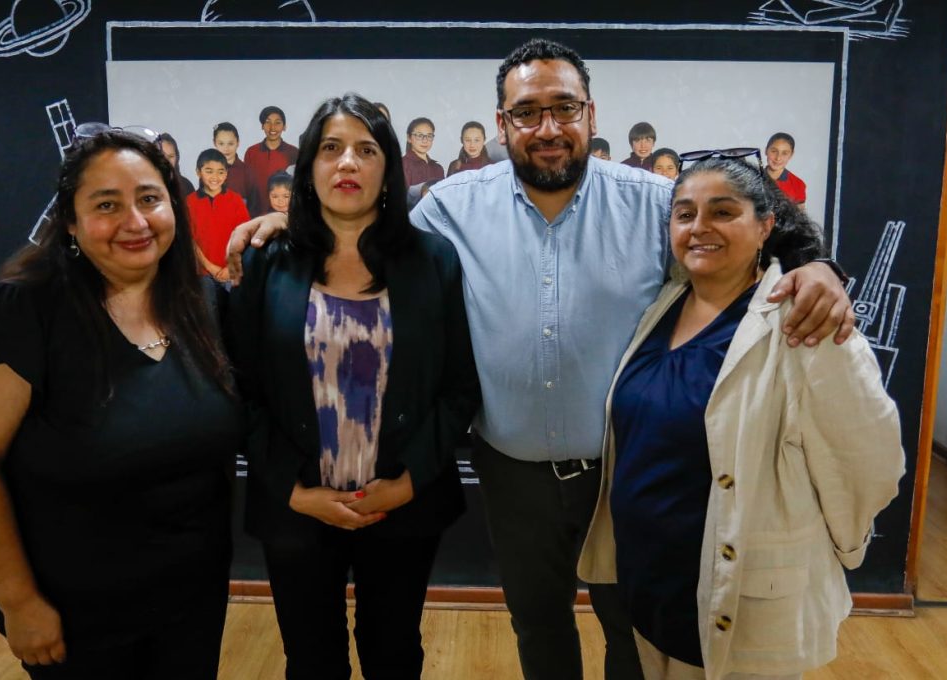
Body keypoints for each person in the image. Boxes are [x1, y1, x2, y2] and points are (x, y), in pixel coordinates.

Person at [226, 39, 854, 680]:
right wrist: (278, 226)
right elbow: (360, 222)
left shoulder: (653, 203)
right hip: (513, 475)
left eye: (564, 108)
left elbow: (753, 225)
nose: (547, 128)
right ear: (502, 124)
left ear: (592, 113)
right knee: (539, 627)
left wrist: (817, 264)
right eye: (527, 112)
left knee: (631, 634)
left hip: (629, 471)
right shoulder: (449, 207)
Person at [578, 154, 903, 680]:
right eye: (684, 214)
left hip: (740, 596)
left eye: (722, 212)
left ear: (765, 225)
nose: (700, 228)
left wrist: (830, 538)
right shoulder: (663, 303)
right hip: (649, 586)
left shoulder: (805, 325)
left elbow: (871, 459)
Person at [0, 126, 243, 679]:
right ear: (72, 224)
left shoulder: (203, 305)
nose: (135, 221)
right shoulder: (18, 308)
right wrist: (18, 603)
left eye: (150, 199)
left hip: (192, 599)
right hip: (74, 609)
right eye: (107, 205)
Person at [227, 94, 480, 680]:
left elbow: (460, 386)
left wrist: (409, 480)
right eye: (331, 149)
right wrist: (293, 491)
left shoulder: (433, 260)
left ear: (389, 168)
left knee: (393, 653)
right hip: (297, 504)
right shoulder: (267, 261)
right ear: (309, 166)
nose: (348, 164)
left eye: (366, 151)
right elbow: (238, 386)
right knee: (311, 659)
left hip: (401, 503)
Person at [188, 148, 251, 282]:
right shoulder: (189, 202)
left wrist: (230, 267)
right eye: (209, 171)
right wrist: (209, 267)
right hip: (202, 272)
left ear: (226, 174)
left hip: (232, 270)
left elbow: (244, 236)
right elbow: (190, 240)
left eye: (220, 171)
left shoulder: (236, 200)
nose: (215, 177)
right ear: (198, 172)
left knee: (233, 302)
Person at [244, 106, 299, 215]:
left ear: (284, 126)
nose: (272, 127)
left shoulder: (294, 153)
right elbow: (248, 186)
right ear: (262, 126)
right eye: (267, 122)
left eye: (277, 123)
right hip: (256, 213)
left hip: (284, 214)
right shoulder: (252, 152)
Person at [213, 121, 257, 208]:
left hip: (242, 220)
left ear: (238, 143)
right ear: (215, 143)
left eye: (230, 143)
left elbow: (254, 206)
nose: (226, 148)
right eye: (221, 144)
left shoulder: (247, 172)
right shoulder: (209, 172)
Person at [765, 132, 806, 210]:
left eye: (784, 153)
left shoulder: (798, 185)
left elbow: (800, 219)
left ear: (791, 155)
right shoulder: (752, 178)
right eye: (774, 151)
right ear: (766, 150)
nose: (778, 158)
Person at [401, 116, 444, 189]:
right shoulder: (402, 165)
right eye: (420, 135)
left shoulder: (438, 168)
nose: (425, 140)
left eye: (429, 136)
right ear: (409, 138)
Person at [157, 131, 195, 197]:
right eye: (162, 156)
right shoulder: (144, 184)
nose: (166, 161)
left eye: (171, 156)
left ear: (177, 158)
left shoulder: (186, 185)